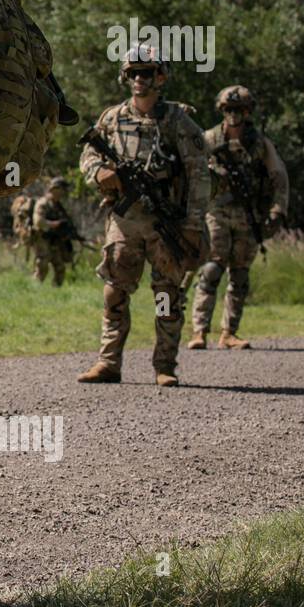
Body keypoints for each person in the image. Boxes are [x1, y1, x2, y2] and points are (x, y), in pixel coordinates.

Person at [76, 44, 208, 387]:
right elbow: (88, 156)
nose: (138, 79)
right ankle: (108, 362)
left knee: (166, 294)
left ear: (160, 77)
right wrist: (99, 175)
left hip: (167, 224)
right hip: (124, 221)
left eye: (146, 73)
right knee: (114, 291)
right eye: (132, 72)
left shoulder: (179, 121)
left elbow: (198, 176)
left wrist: (194, 225)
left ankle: (165, 365)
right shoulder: (112, 118)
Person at [188, 85, 288, 350]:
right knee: (211, 269)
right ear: (222, 110)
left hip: (248, 215)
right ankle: (199, 331)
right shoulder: (208, 139)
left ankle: (229, 333)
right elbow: (191, 171)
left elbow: (279, 177)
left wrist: (277, 210)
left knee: (240, 275)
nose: (233, 114)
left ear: (248, 112)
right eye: (228, 109)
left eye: (239, 110)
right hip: (216, 212)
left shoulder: (260, 144)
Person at [32, 177, 75, 285]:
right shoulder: (43, 203)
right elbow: (38, 221)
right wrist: (54, 224)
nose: (64, 193)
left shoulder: (58, 205)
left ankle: (56, 291)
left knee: (60, 267)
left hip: (54, 240)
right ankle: (34, 290)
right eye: (62, 189)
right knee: (42, 266)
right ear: (55, 189)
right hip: (42, 238)